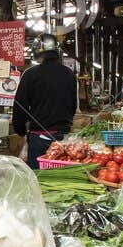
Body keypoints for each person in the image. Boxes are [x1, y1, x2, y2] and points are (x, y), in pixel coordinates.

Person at [12, 34, 78, 169]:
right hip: (64, 138)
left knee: (39, 180)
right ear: (56, 51)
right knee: (61, 179)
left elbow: (20, 107)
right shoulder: (69, 74)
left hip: (39, 140)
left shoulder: (30, 74)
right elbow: (73, 106)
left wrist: (20, 130)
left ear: (38, 52)